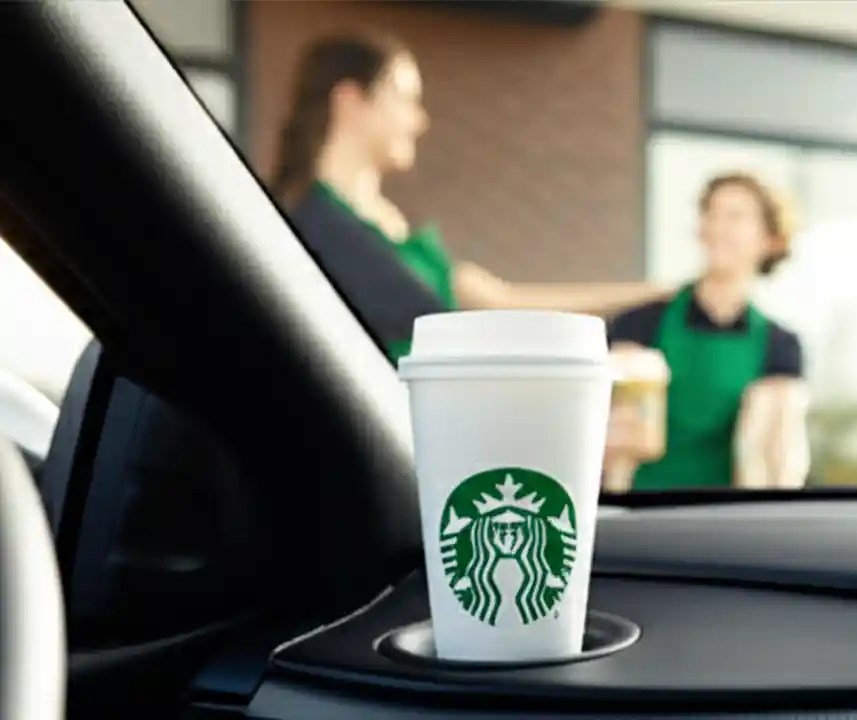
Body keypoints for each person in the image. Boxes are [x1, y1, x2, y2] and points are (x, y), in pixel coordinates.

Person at [273, 35, 667, 360]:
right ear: (350, 100)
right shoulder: (309, 224)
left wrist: (653, 294)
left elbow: (504, 302)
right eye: (405, 98)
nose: (419, 120)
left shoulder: (390, 227)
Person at [608, 172, 809, 491]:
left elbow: (778, 459)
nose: (716, 227)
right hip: (637, 512)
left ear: (770, 239)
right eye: (710, 213)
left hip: (725, 520)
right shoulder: (640, 324)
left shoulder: (779, 345)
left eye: (735, 216)